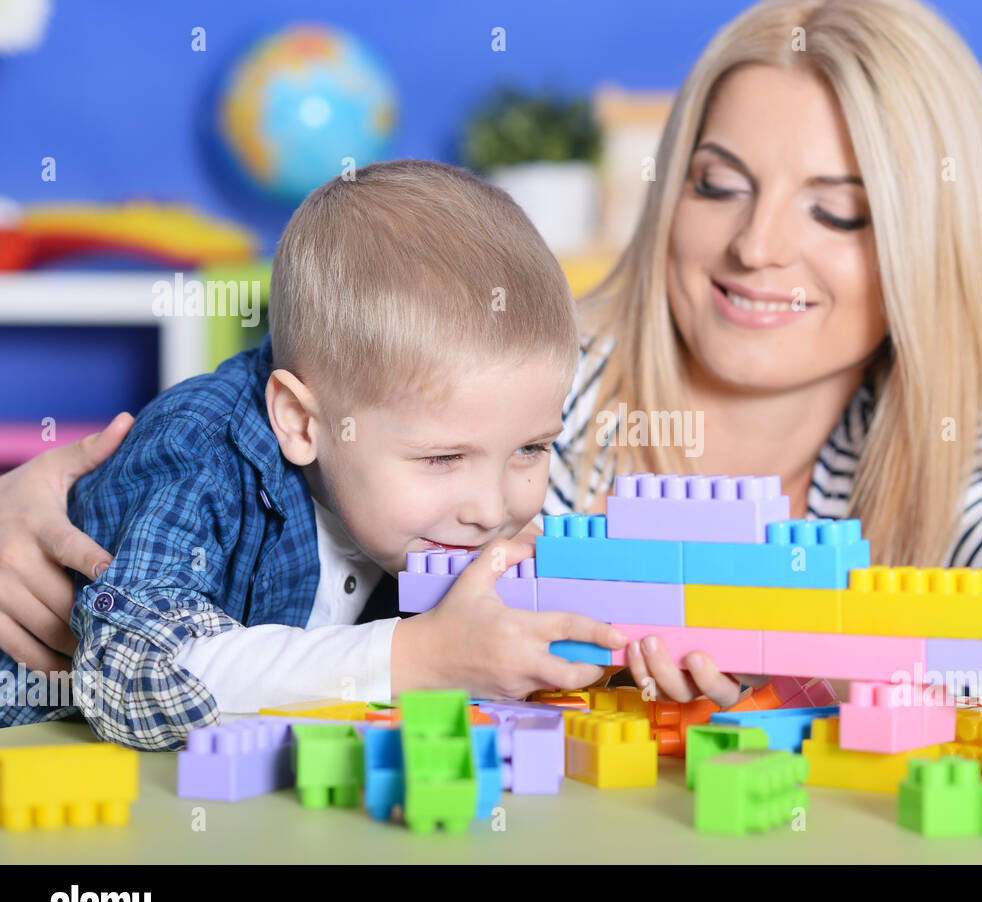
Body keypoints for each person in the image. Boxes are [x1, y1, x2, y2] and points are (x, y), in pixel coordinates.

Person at [0, 0, 982, 725]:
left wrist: (812, 660)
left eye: (838, 210)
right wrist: (27, 513)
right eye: (717, 185)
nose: (756, 246)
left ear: (931, 252)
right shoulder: (529, 392)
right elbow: (264, 441)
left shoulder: (931, 460)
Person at [0, 159, 623, 750]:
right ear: (300, 421)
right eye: (443, 459)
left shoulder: (429, 503)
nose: (491, 510)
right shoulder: (199, 450)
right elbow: (133, 672)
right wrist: (419, 657)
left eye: (531, 448)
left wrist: (596, 641)